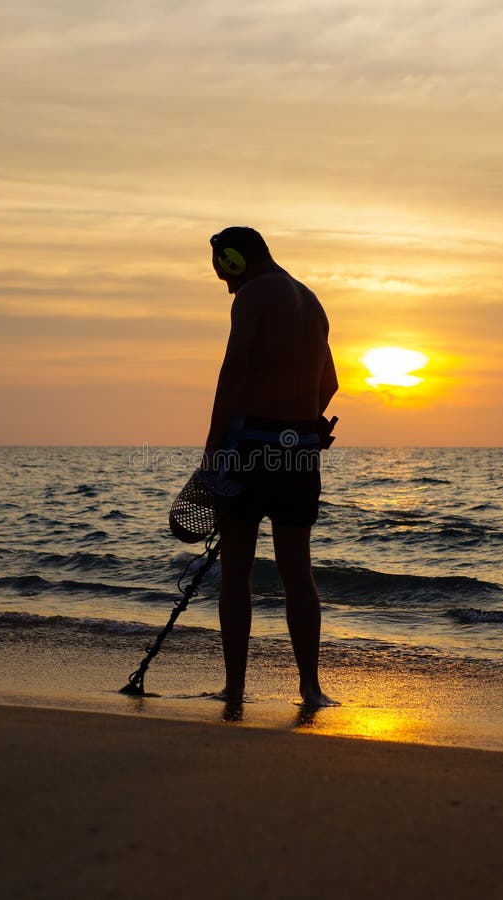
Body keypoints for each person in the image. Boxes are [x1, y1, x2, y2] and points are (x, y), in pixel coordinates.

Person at [203, 226, 339, 709]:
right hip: (298, 451)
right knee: (297, 572)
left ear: (236, 260)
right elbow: (331, 382)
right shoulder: (310, 299)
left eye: (223, 270)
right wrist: (303, 425)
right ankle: (311, 688)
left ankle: (235, 687)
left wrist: (214, 447)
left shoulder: (253, 295)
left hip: (249, 450)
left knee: (235, 570)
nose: (224, 283)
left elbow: (234, 370)